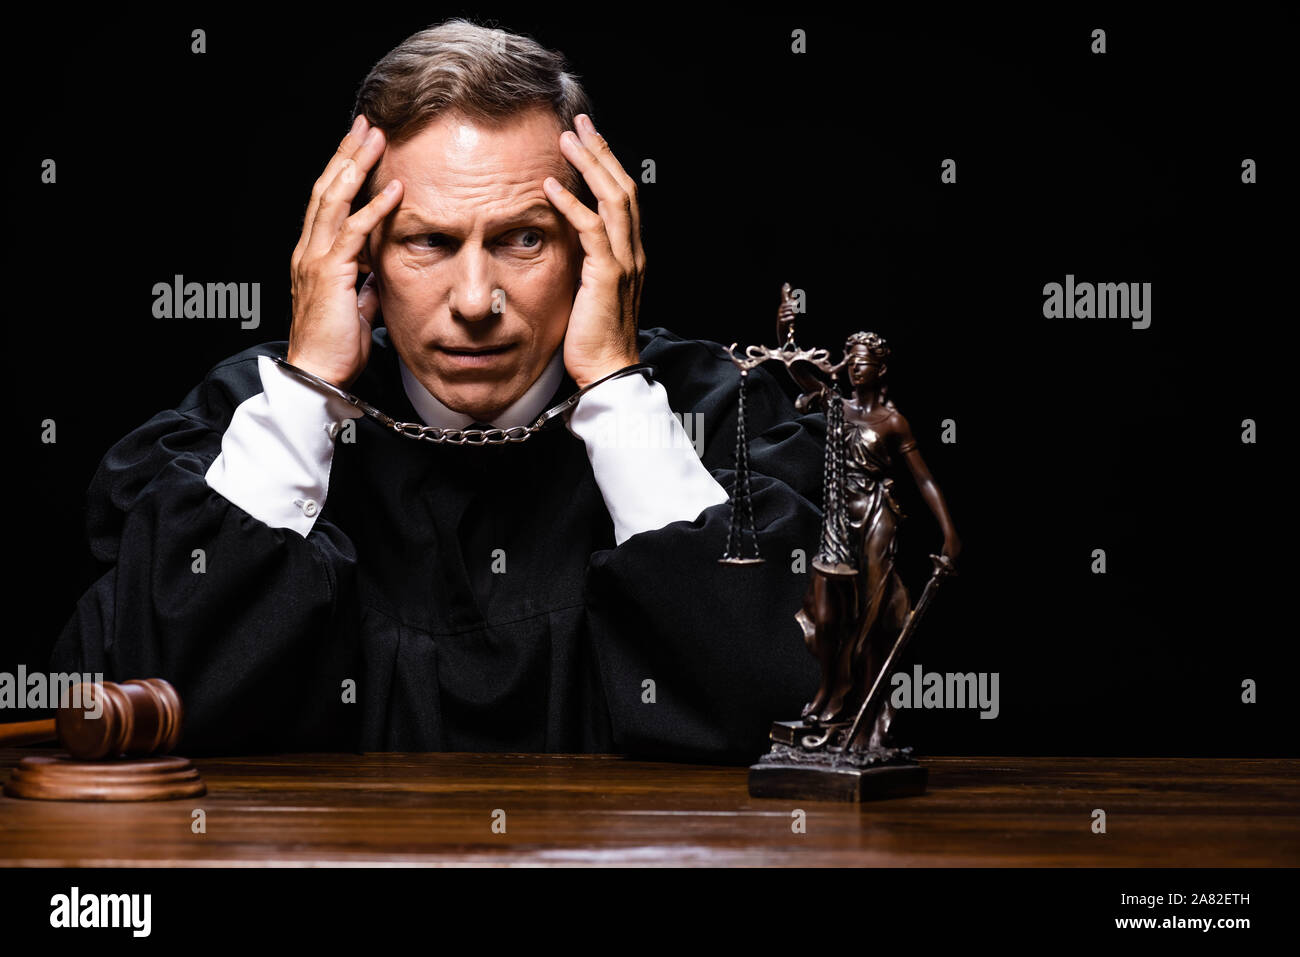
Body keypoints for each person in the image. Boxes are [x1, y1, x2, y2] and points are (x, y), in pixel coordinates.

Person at [50, 20, 825, 761]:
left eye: (524, 238)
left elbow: (797, 707)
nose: (475, 300)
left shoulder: (721, 419)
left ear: (596, 251)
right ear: (357, 256)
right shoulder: (242, 425)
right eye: (430, 240)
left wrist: (616, 393)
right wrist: (308, 391)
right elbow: (135, 699)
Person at [777, 299, 960, 752]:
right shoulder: (836, 407)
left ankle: (868, 710)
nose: (855, 371)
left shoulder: (893, 421)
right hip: (839, 519)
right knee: (825, 612)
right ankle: (829, 693)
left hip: (877, 516)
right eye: (851, 362)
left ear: (880, 370)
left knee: (872, 615)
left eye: (864, 364)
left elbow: (924, 479)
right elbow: (798, 371)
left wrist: (950, 533)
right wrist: (786, 333)